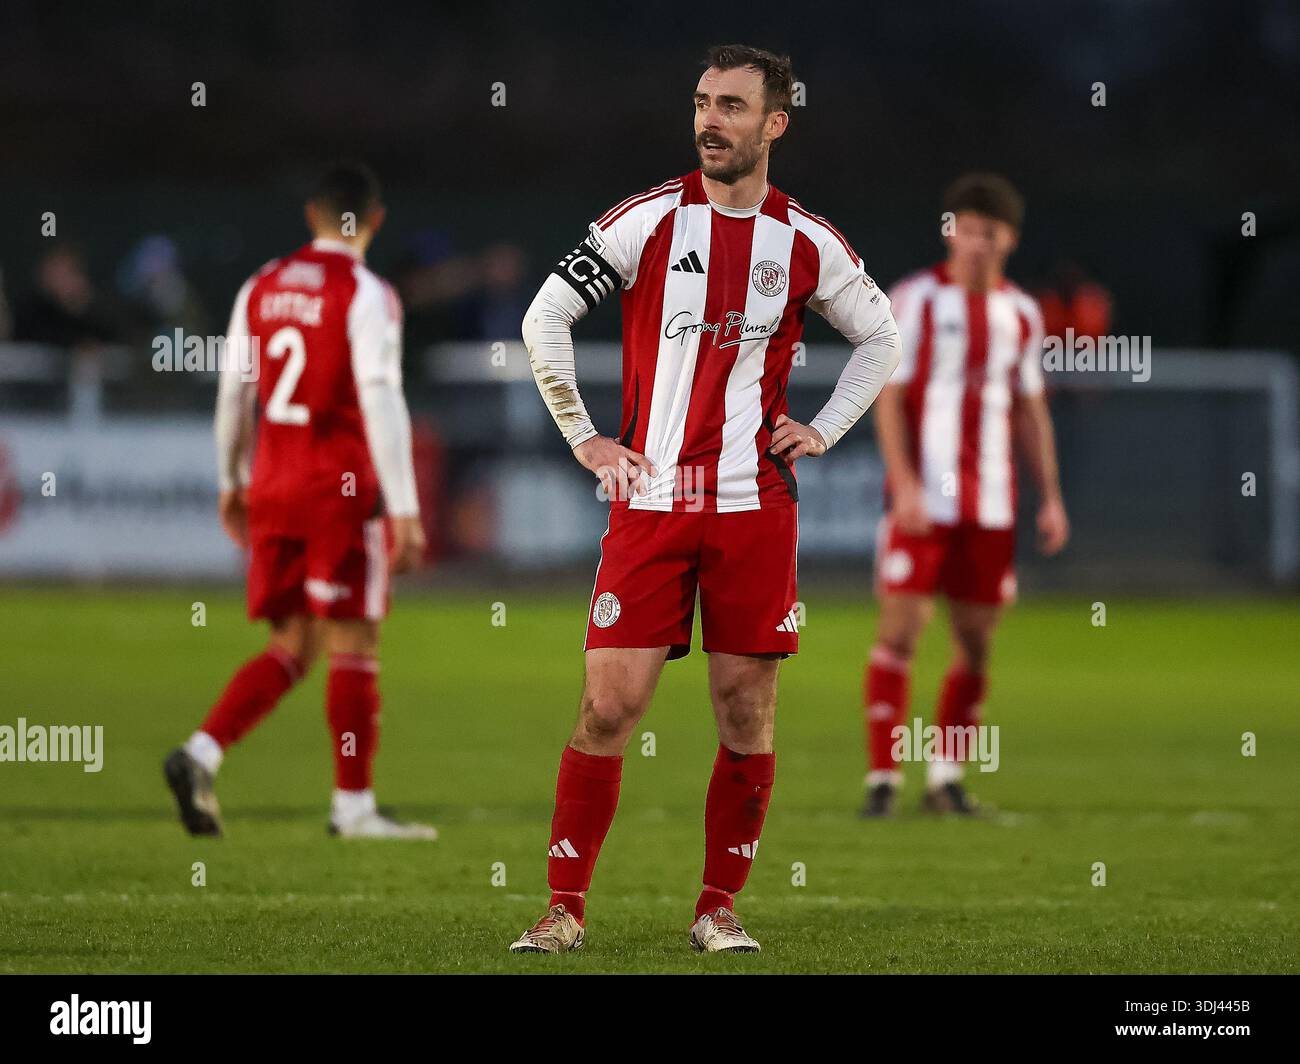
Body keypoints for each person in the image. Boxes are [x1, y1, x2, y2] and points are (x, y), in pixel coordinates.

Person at [510, 45, 900, 954]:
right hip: (651, 502)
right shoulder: (647, 222)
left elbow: (880, 335)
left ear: (775, 124)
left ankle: (717, 907)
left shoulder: (805, 240)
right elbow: (543, 317)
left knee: (744, 710)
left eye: (731, 106)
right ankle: (564, 908)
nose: (709, 121)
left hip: (754, 506)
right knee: (608, 705)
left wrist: (827, 428)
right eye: (700, 102)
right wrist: (583, 437)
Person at [163, 163, 435, 840]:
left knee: (294, 641)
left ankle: (201, 753)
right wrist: (403, 506)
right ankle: (354, 807)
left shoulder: (262, 285)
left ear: (311, 214)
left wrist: (231, 482)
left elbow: (234, 392)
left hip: (275, 487)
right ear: (374, 220)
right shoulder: (366, 293)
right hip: (336, 491)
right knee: (354, 638)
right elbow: (378, 393)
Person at [862, 173, 1069, 818]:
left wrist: (1052, 498)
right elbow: (887, 394)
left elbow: (1031, 410)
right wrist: (905, 485)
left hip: (992, 505)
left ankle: (945, 779)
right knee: (901, 630)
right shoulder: (916, 299)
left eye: (990, 232)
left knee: (976, 641)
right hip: (924, 502)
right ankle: (882, 780)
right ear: (950, 231)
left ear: (1008, 239)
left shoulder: (1022, 314)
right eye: (966, 229)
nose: (976, 242)